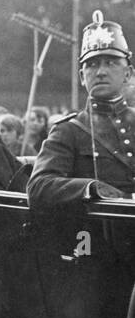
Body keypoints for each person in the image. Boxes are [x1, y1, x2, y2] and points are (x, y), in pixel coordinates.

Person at [29, 12, 135, 208]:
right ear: (82, 76)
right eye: (92, 65)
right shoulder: (69, 130)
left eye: (110, 63)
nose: (101, 71)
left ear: (128, 73)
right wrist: (91, 188)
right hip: (98, 234)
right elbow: (38, 186)